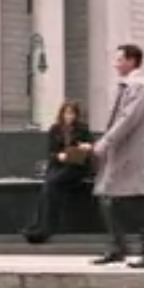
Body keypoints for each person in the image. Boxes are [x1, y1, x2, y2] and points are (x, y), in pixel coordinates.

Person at [84, 44, 144, 269]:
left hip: (133, 154)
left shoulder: (139, 87)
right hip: (123, 153)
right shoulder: (131, 86)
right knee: (108, 195)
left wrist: (105, 143)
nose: (115, 64)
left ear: (131, 61)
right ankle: (118, 247)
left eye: (119, 59)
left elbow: (127, 119)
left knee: (143, 199)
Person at [22, 101, 93, 245]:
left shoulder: (83, 129)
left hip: (76, 167)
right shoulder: (55, 129)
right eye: (66, 113)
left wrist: (86, 147)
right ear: (61, 114)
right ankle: (40, 228)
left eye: (72, 113)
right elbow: (51, 153)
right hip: (59, 166)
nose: (69, 116)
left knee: (51, 183)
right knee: (48, 187)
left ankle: (41, 229)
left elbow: (91, 147)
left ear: (76, 115)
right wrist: (59, 156)